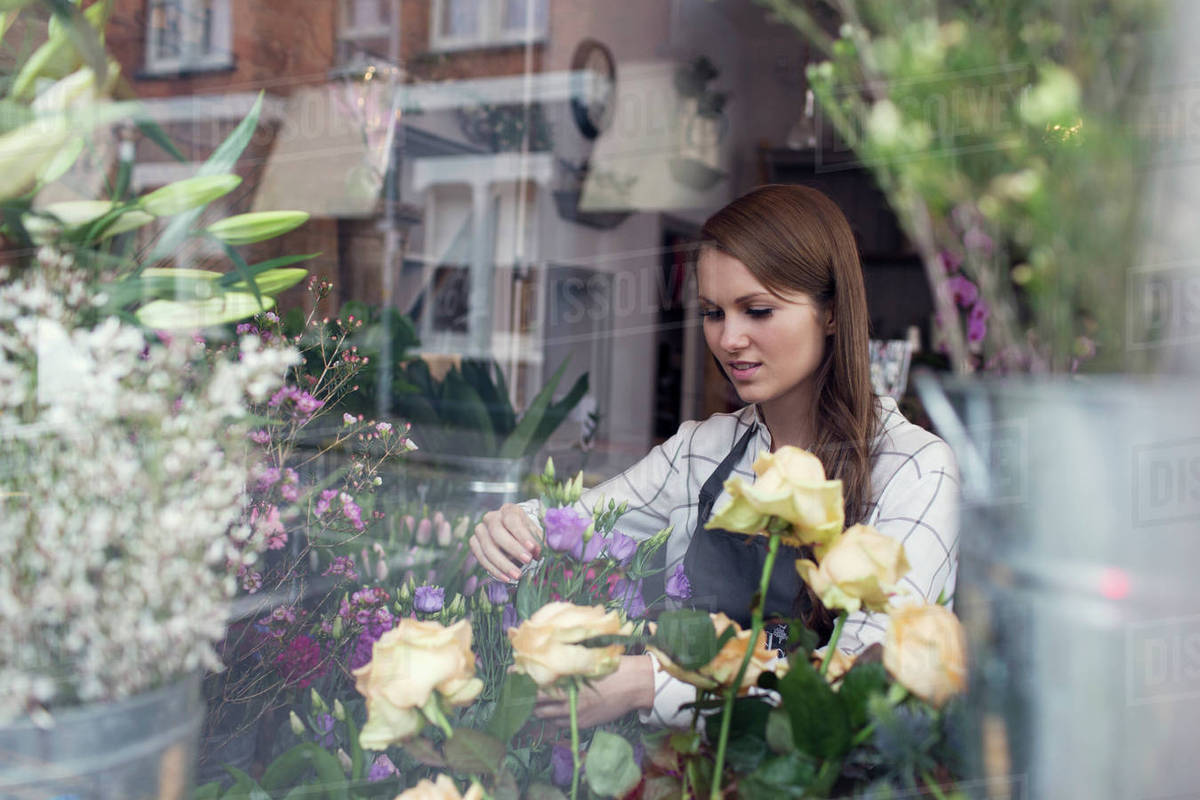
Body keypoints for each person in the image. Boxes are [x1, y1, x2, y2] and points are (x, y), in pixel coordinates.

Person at [469, 184, 959, 729]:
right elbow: (577, 523)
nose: (729, 339)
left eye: (757, 310)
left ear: (831, 313)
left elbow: (866, 684)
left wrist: (649, 685)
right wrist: (512, 526)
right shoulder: (703, 452)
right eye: (712, 312)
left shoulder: (914, 469)